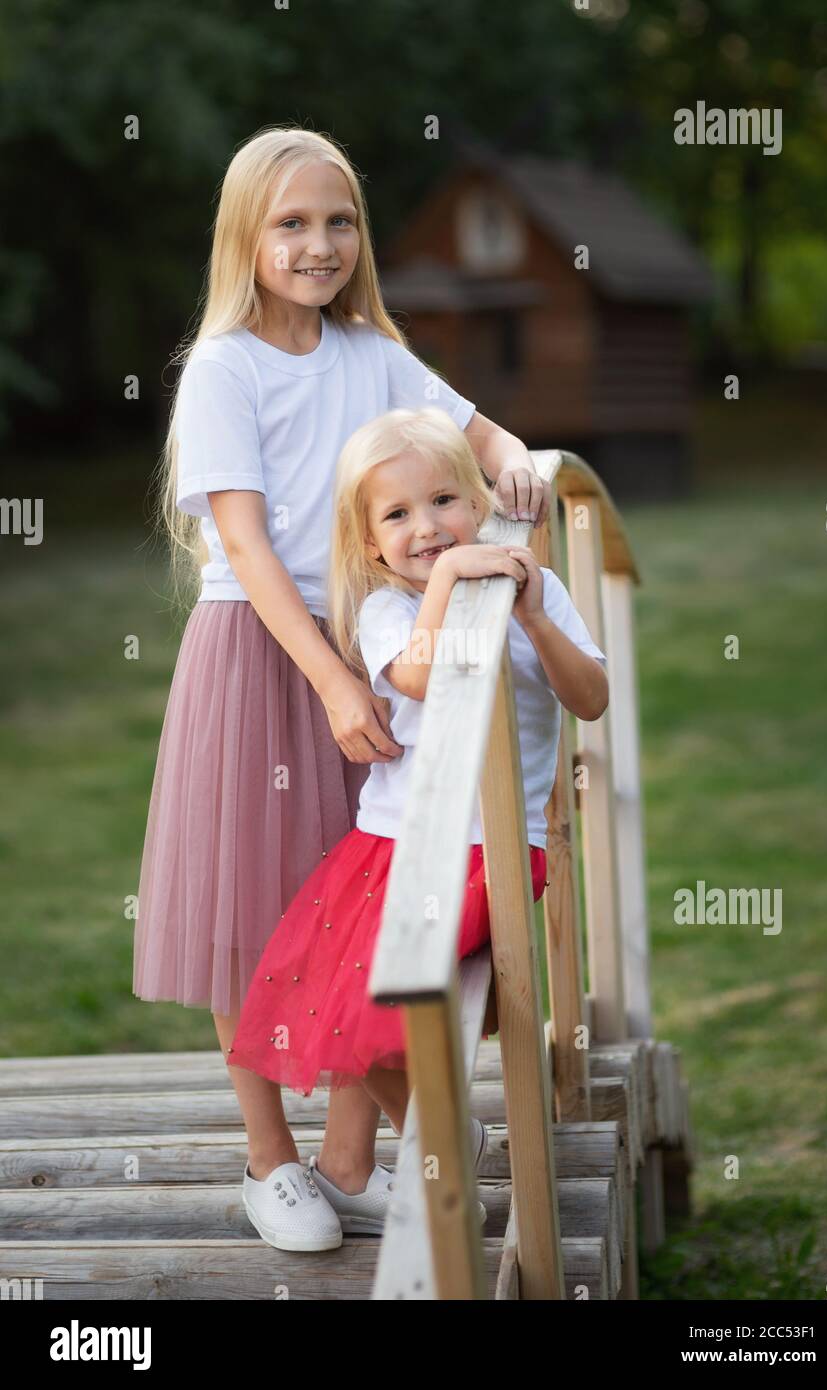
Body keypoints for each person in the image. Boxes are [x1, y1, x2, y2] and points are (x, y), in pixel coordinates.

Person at [132, 125, 552, 1253]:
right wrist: (326, 679)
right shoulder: (223, 367)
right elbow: (251, 547)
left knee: (361, 896)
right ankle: (269, 1160)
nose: (318, 244)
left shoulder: (371, 350)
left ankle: (347, 1154)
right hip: (264, 655)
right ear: (245, 237)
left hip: (374, 649)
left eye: (337, 221)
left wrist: (513, 456)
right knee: (251, 910)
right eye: (291, 223)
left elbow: (475, 429)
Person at [227, 406, 608, 1250]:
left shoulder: (533, 593)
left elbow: (590, 698)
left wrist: (538, 617)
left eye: (443, 501)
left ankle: (439, 1161)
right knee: (329, 1006)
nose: (427, 528)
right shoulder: (387, 614)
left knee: (392, 997)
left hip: (490, 853)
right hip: (386, 847)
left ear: (478, 502)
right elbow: (428, 677)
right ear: (370, 546)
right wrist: (449, 582)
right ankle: (445, 1145)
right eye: (396, 516)